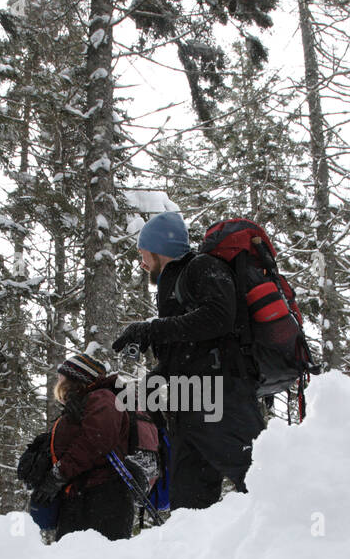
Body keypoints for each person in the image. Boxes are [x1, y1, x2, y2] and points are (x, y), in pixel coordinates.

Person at [112, 210, 265, 510]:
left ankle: (299, 546)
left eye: (144, 254)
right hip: (191, 408)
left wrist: (151, 329)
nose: (142, 263)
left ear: (159, 250)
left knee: (262, 482)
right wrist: (153, 382)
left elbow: (219, 317)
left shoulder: (202, 267)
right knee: (188, 510)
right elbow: (186, 350)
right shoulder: (174, 285)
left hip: (225, 397)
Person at [32, 353, 135, 541]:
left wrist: (59, 473)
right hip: (80, 497)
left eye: (61, 376)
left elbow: (96, 441)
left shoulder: (103, 397)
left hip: (103, 498)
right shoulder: (80, 405)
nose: (58, 380)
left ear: (74, 379)